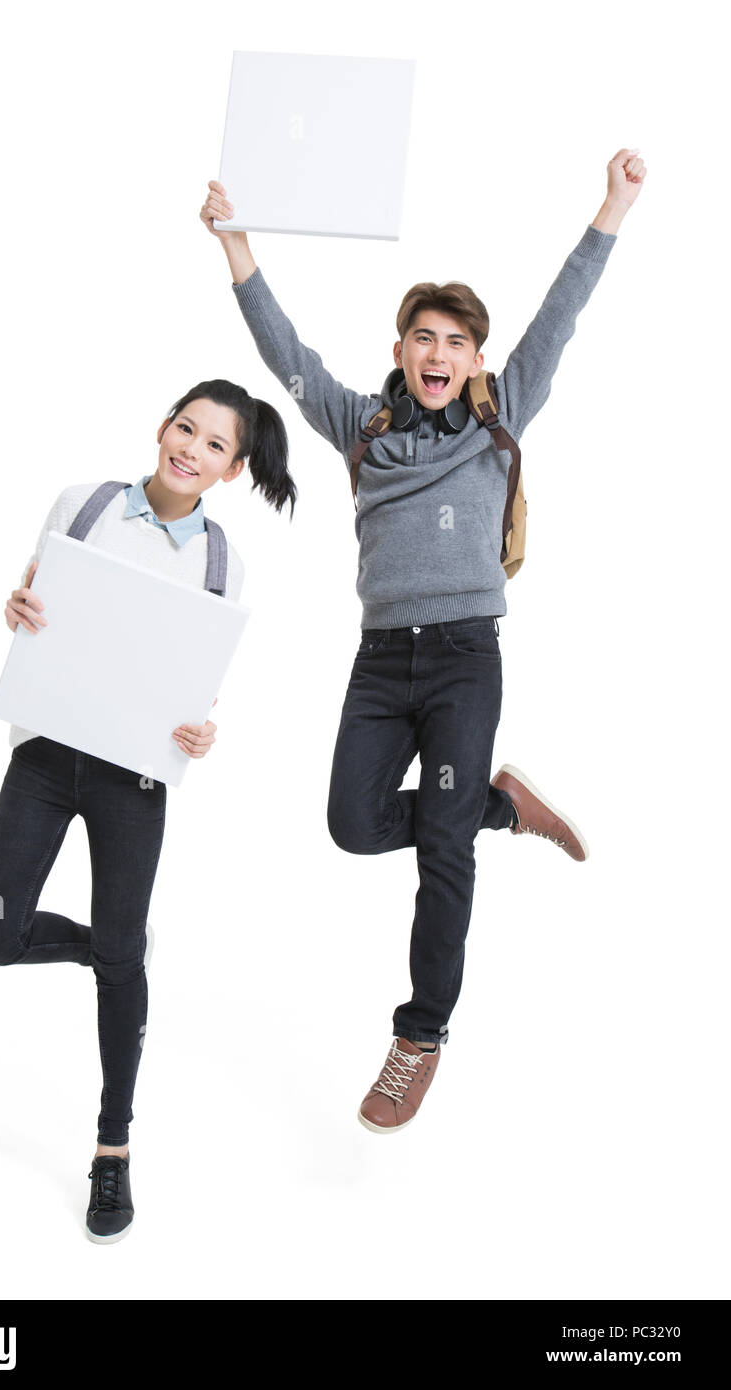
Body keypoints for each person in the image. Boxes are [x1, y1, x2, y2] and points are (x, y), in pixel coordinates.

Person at [200, 149, 647, 1133]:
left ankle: (419, 1035)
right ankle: (494, 805)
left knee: (437, 854)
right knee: (353, 824)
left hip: (460, 660)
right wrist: (236, 243)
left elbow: (558, 317)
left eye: (455, 341)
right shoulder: (361, 428)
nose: (437, 353)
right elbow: (287, 357)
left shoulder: (499, 419)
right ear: (400, 352)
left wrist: (608, 206)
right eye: (421, 338)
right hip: (378, 665)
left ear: (476, 360)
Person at [0, 381, 297, 1240]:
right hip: (44, 755)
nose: (191, 448)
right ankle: (114, 949)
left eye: (215, 445)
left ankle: (112, 1151)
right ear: (162, 427)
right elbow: (35, 605)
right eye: (185, 427)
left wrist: (201, 731)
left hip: (134, 781)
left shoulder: (223, 564)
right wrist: (14, 606)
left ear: (231, 469)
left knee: (121, 968)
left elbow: (195, 689)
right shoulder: (83, 506)